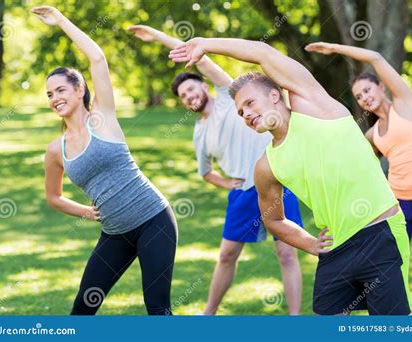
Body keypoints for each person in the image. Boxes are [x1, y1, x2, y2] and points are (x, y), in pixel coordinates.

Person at [169, 37, 412, 315]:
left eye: (250, 103)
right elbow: (273, 220)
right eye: (241, 112)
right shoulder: (266, 165)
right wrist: (310, 243)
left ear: (274, 95)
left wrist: (206, 43)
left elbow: (262, 53)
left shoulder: (315, 107)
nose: (247, 114)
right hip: (336, 247)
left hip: (380, 233)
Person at [129, 25, 312, 315]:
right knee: (227, 255)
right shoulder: (199, 134)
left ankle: (294, 318)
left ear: (203, 85)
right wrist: (229, 183)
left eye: (191, 89)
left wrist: (158, 36)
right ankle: (209, 314)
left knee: (287, 252)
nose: (189, 97)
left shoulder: (228, 97)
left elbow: (200, 57)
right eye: (183, 97)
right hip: (242, 193)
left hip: (276, 182)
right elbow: (206, 173)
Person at [33, 6, 177, 315]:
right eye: (49, 94)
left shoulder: (102, 117)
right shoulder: (55, 150)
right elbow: (53, 197)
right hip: (115, 232)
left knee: (158, 308)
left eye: (60, 89)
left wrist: (60, 21)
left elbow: (97, 58)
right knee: (82, 309)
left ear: (79, 89)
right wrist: (85, 210)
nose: (55, 97)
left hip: (154, 220)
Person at [306, 41, 412, 315]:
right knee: (393, 272)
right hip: (395, 208)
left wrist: (335, 48)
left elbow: (376, 57)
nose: (364, 97)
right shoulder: (373, 135)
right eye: (358, 96)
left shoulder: (405, 105)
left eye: (367, 90)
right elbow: (349, 167)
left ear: (380, 87)